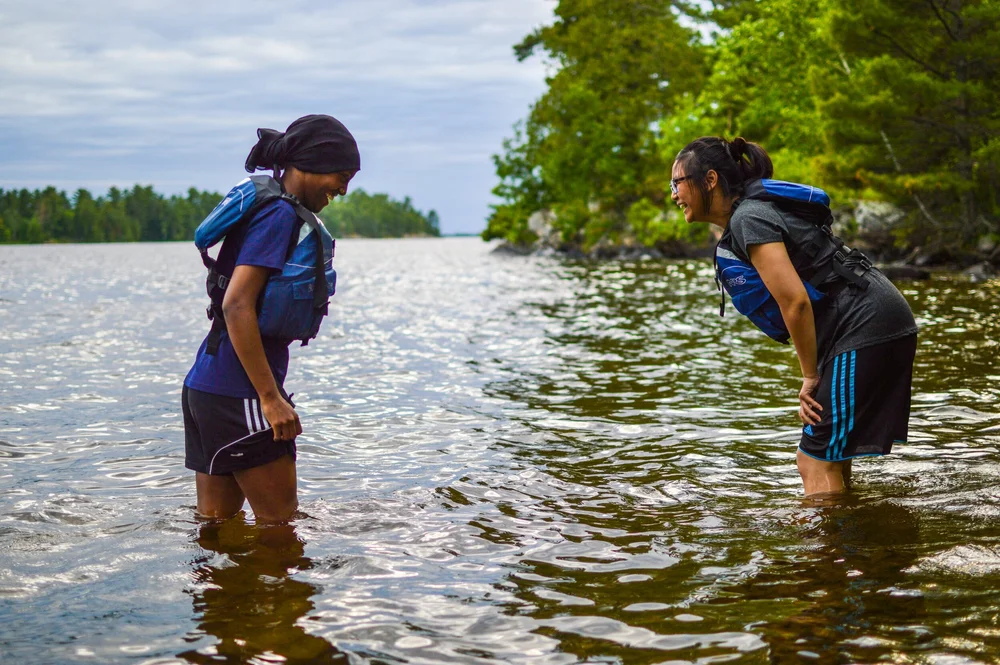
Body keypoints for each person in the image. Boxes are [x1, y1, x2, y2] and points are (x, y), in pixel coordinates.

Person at [670, 136, 917, 496]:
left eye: (677, 183)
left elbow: (796, 302)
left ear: (709, 180)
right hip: (874, 320)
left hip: (867, 323)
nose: (673, 194)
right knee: (831, 453)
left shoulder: (749, 218)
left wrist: (810, 376)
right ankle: (852, 542)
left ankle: (822, 549)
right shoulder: (748, 217)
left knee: (813, 460)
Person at [182, 114, 360, 522]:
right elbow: (236, 303)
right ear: (310, 164)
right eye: (341, 175)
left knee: (215, 532)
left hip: (206, 387)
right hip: (240, 395)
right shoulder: (280, 215)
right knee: (281, 533)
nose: (343, 189)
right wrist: (270, 398)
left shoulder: (270, 207)